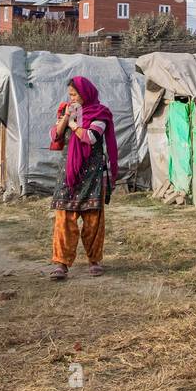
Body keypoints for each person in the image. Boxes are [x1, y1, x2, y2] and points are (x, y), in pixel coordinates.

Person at [48, 76, 119, 281]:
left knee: (93, 219)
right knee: (64, 217)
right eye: (69, 94)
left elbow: (90, 137)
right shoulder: (65, 111)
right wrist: (65, 119)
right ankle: (61, 263)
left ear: (85, 94)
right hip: (69, 172)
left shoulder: (100, 113)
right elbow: (54, 136)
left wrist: (74, 125)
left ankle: (94, 260)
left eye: (74, 94)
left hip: (92, 174)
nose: (71, 98)